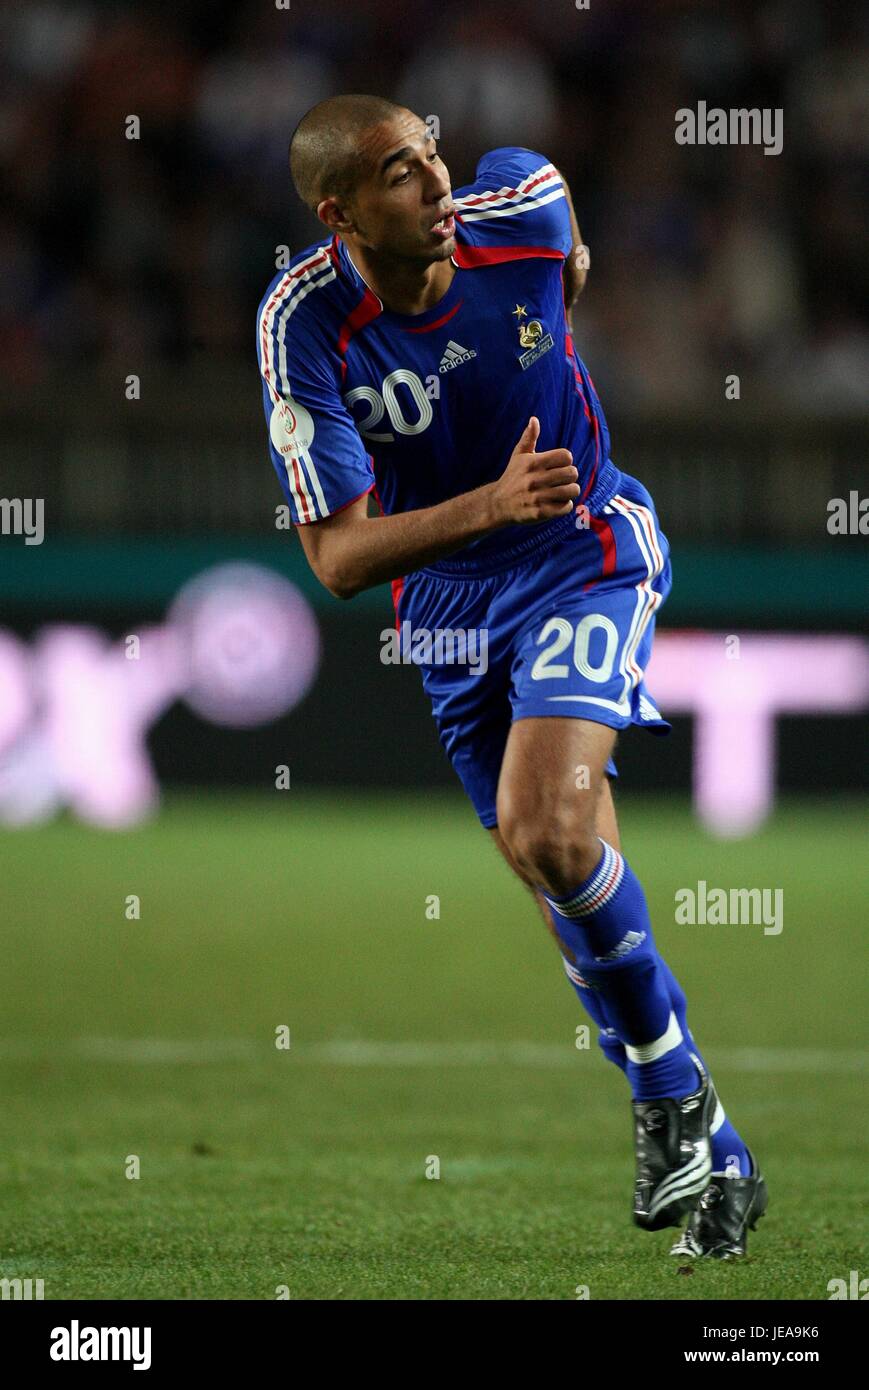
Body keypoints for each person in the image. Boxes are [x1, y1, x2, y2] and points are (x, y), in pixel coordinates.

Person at [256, 94, 767, 1258]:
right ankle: (715, 1140)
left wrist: (528, 463)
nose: (434, 183)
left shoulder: (521, 207)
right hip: (444, 606)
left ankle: (663, 1101)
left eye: (431, 154)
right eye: (397, 173)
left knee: (545, 827)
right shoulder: (301, 322)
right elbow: (332, 556)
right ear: (338, 214)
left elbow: (555, 230)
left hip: (582, 546)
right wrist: (483, 503)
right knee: (554, 865)